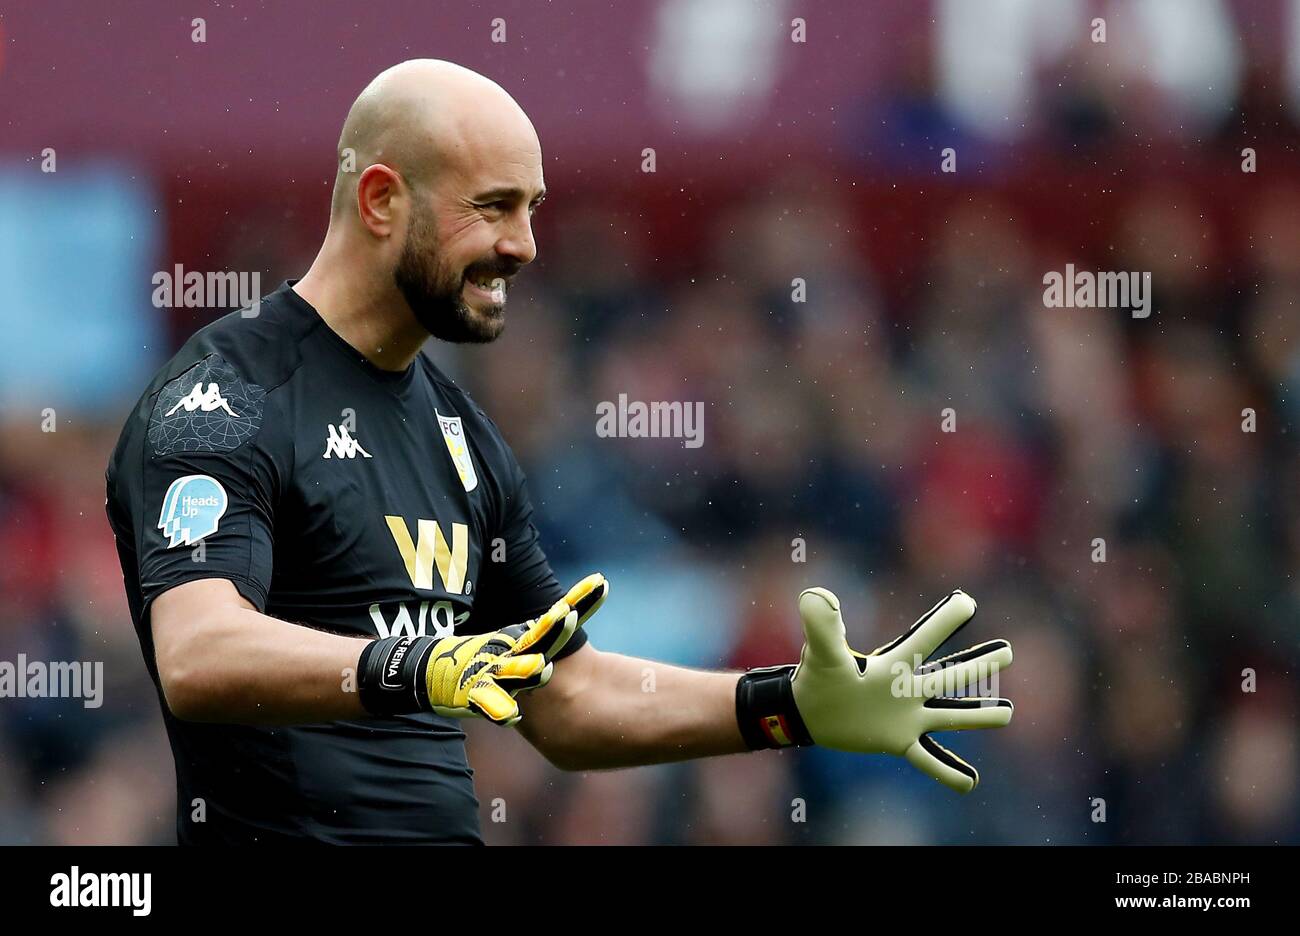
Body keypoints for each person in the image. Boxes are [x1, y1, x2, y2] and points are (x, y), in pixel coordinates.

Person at [106, 59, 1014, 845]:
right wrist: (413, 666)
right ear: (382, 199)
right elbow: (199, 653)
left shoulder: (459, 434)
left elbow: (568, 698)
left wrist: (786, 707)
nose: (524, 245)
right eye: (492, 208)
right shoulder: (224, 393)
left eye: (532, 209)